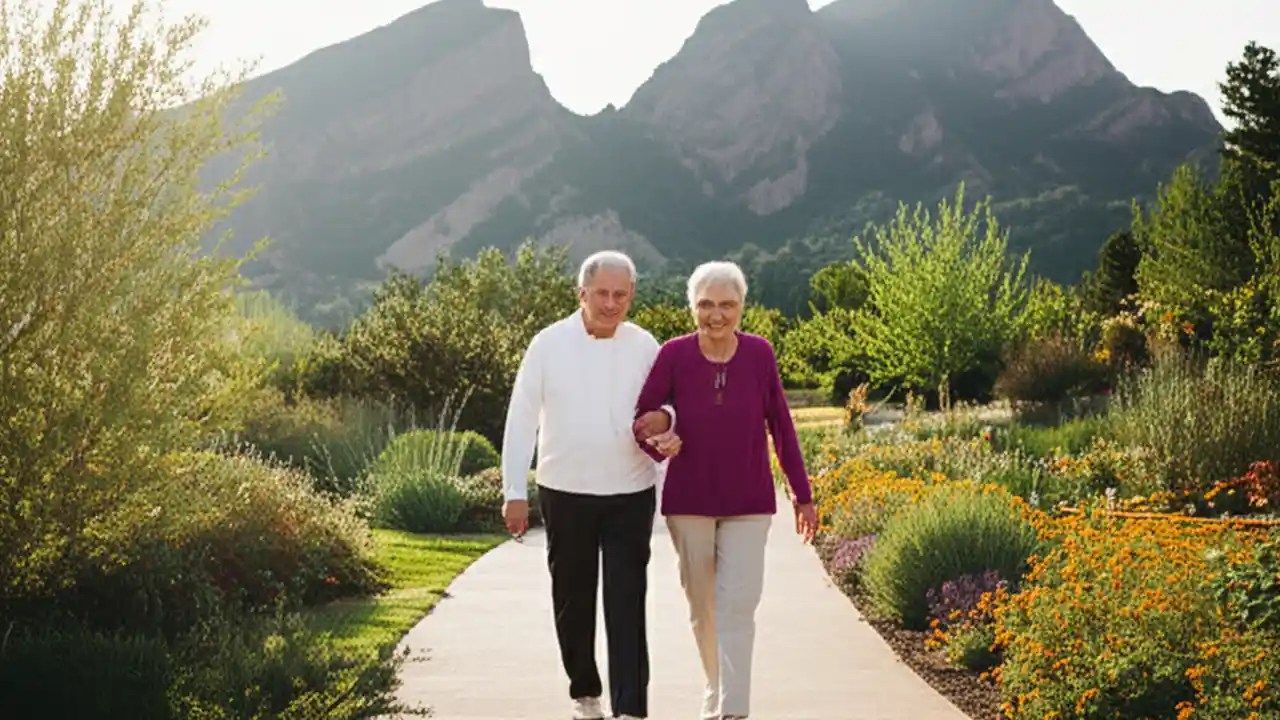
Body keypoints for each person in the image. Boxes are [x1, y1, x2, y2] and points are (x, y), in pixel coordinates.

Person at [633, 260, 818, 720]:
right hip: (689, 502)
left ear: (742, 307)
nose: (717, 315)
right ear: (692, 307)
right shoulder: (674, 354)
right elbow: (643, 418)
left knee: (739, 603)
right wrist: (660, 442)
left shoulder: (760, 354)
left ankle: (733, 709)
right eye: (706, 304)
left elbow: (782, 425)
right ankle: (715, 686)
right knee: (703, 608)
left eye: (727, 305)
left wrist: (802, 493)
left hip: (749, 502)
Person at [500, 250, 680, 720]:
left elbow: (671, 406)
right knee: (573, 599)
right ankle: (585, 692)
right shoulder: (547, 344)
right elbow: (521, 420)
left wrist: (667, 420)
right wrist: (513, 491)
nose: (610, 302)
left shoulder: (646, 346)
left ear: (631, 296)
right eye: (601, 293)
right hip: (565, 491)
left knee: (627, 600)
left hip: (629, 492)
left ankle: (631, 707)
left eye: (620, 294)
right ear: (581, 294)